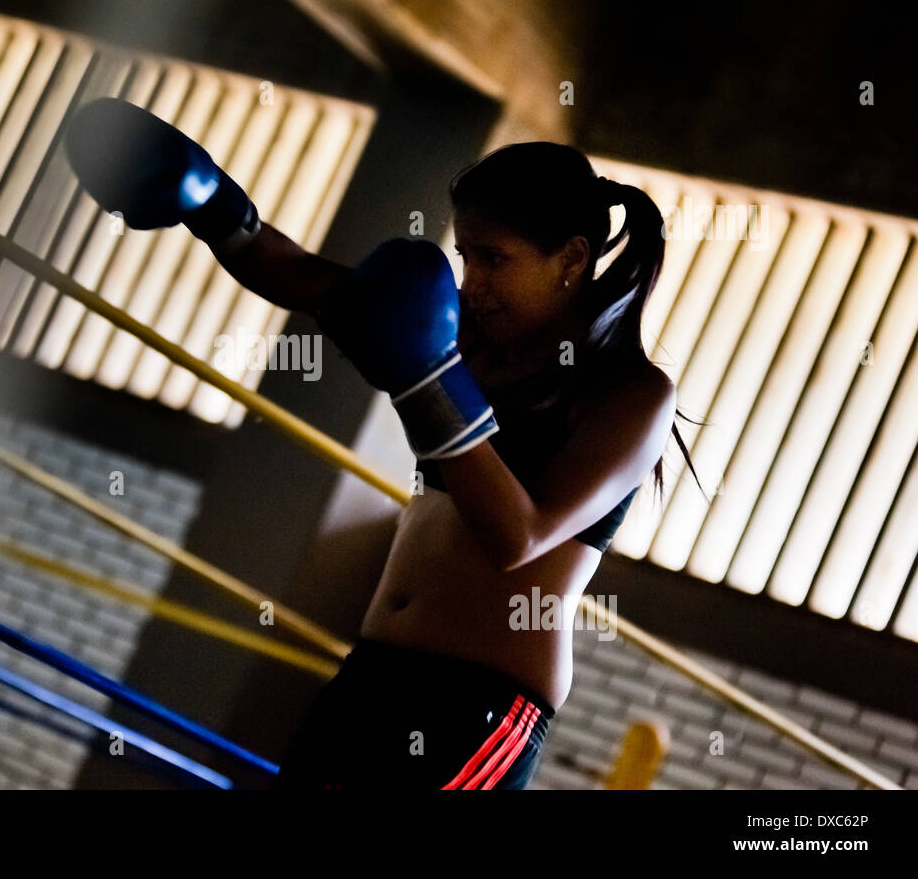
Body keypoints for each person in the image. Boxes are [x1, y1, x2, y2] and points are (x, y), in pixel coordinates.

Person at [64, 99, 701, 790]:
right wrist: (208, 201)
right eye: (465, 256)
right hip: (370, 673)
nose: (471, 284)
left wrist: (427, 379)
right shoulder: (473, 344)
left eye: (493, 259)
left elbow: (518, 536)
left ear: (571, 258)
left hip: (479, 710)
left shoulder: (629, 393)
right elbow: (300, 275)